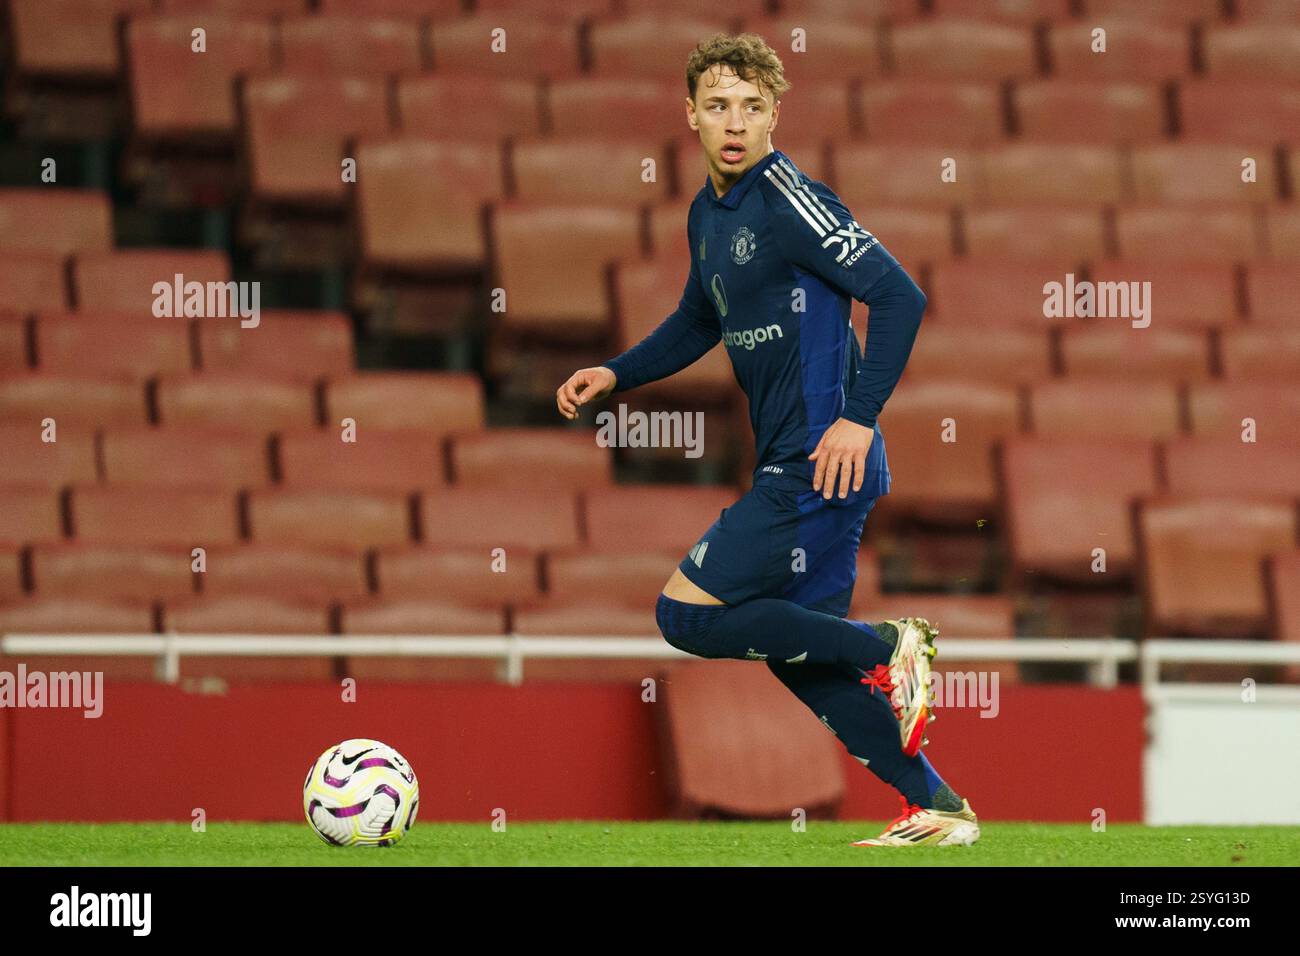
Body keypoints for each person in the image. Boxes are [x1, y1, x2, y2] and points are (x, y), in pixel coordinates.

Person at [556, 33, 978, 847]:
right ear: (691, 116)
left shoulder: (791, 198)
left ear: (776, 116)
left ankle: (891, 642)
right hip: (801, 462)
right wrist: (616, 373)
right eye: (719, 106)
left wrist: (858, 417)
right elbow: (697, 320)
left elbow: (900, 297)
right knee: (806, 664)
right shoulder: (707, 215)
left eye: (752, 107)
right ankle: (938, 807)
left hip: (822, 460)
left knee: (684, 616)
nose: (736, 123)